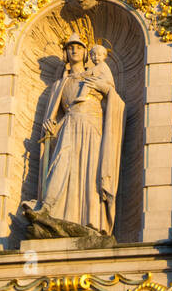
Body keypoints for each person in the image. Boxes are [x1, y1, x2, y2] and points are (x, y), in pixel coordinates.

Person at [23, 32, 124, 238]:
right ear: (65, 53)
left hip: (92, 126)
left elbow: (114, 98)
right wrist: (51, 126)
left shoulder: (97, 73)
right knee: (61, 163)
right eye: (70, 47)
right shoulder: (60, 84)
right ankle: (49, 208)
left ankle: (91, 221)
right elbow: (55, 115)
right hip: (69, 125)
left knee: (90, 169)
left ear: (85, 52)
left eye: (78, 47)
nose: (74, 50)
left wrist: (100, 87)